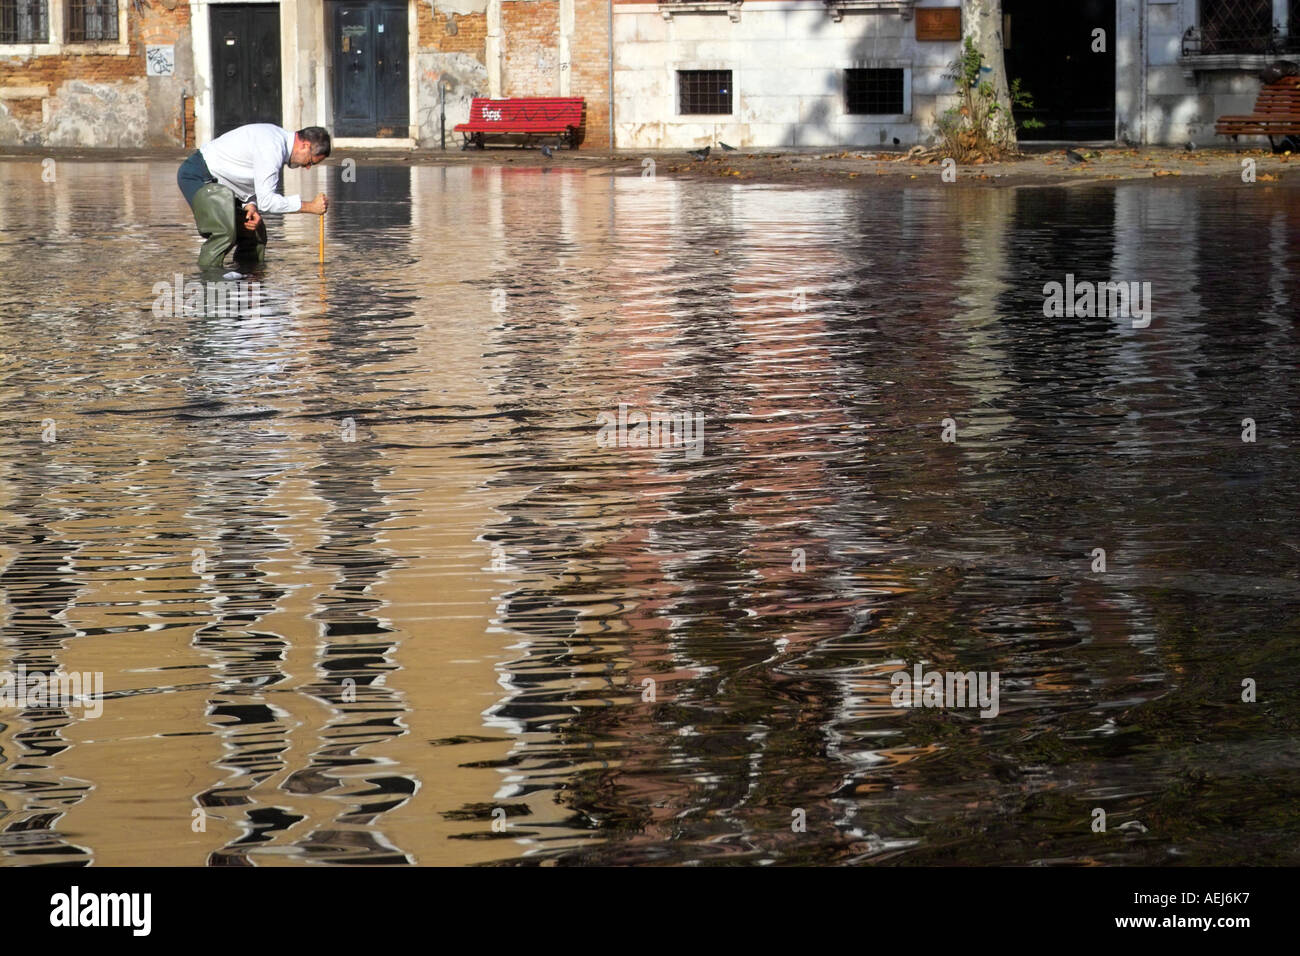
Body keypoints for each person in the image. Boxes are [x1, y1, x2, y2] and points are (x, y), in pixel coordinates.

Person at [176, 124, 331, 270]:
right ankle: (208, 279)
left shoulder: (277, 145)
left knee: (255, 232)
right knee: (224, 231)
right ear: (305, 146)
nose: (308, 167)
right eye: (310, 161)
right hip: (197, 175)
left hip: (223, 185)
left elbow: (246, 177)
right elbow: (267, 202)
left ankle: (248, 283)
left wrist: (250, 205)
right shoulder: (273, 147)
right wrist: (310, 207)